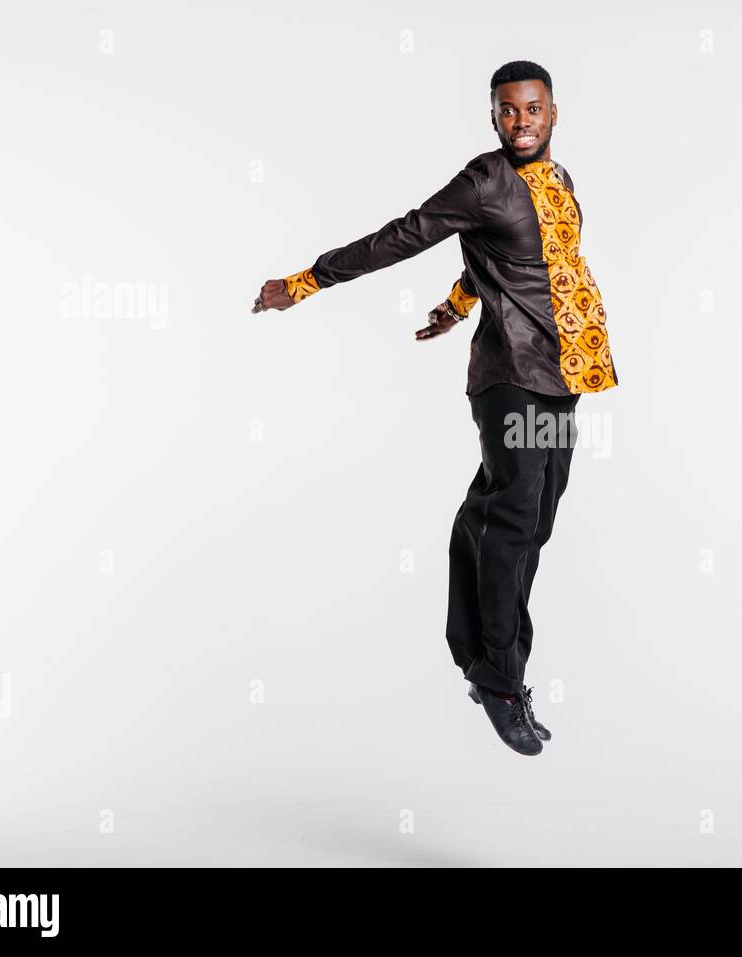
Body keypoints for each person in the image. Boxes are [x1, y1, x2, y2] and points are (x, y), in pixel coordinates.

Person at [251, 60, 618, 756]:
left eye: (533, 109)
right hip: (509, 371)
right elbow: (403, 234)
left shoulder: (562, 182)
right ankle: (499, 678)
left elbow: (514, 261)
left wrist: (453, 307)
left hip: (564, 371)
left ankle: (491, 661)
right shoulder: (483, 180)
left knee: (527, 518)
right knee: (511, 512)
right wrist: (306, 281)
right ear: (493, 116)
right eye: (508, 111)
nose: (521, 121)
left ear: (554, 112)